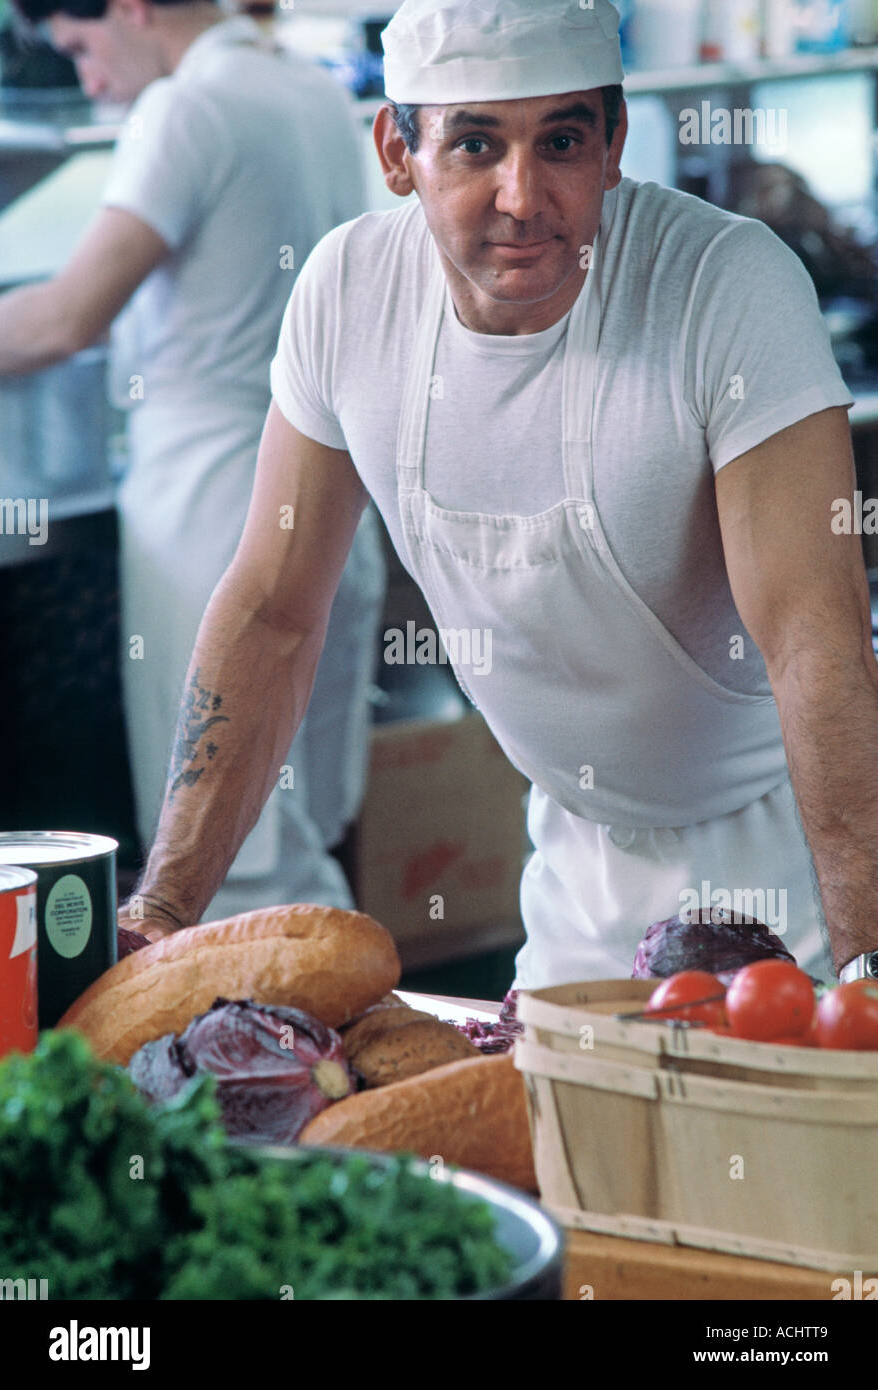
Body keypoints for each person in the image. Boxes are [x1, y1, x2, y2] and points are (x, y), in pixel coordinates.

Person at [118, 0, 873, 993]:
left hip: (792, 866)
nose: (522, 196)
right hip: (573, 868)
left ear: (614, 145)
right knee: (559, 1148)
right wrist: (162, 910)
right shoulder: (348, 295)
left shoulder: (725, 287)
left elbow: (814, 645)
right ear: (399, 151)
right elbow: (272, 615)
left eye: (560, 140)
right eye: (475, 144)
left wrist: (866, 973)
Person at [0, 0, 386, 916]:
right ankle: (337, 1039)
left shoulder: (188, 107)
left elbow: (65, 317)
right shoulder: (307, 89)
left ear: (131, 9)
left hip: (214, 512)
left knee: (225, 855)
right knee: (301, 828)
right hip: (334, 499)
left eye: (84, 47)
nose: (89, 79)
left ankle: (262, 1051)